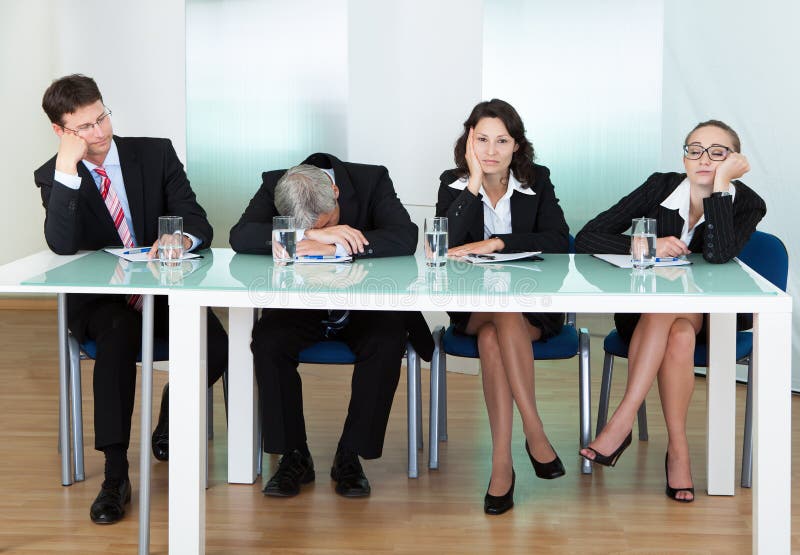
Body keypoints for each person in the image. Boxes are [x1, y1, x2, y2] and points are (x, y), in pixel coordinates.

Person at [34, 74, 228, 524]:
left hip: (160, 290)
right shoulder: (55, 175)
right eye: (83, 127)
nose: (99, 132)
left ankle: (169, 419)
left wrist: (180, 238)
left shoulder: (155, 153)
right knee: (117, 341)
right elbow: (62, 245)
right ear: (62, 132)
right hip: (101, 302)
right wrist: (68, 169)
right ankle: (115, 475)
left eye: (102, 117)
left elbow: (199, 221)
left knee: (217, 344)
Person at [575, 119, 766, 502]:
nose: (703, 158)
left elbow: (718, 254)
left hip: (715, 320)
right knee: (676, 327)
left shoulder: (747, 203)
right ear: (684, 156)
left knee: (675, 313)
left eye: (718, 152)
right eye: (694, 149)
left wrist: (720, 188)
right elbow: (587, 235)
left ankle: (622, 420)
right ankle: (678, 450)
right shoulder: (660, 186)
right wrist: (645, 244)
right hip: (647, 317)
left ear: (734, 160)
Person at [230, 154, 431, 498]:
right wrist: (306, 234)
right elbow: (241, 236)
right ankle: (293, 455)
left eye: (327, 222)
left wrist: (340, 242)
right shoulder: (276, 183)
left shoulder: (372, 179)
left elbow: (404, 237)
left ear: (336, 192)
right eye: (313, 228)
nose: (320, 232)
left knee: (387, 338)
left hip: (363, 302)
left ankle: (350, 456)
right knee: (268, 340)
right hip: (300, 305)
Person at [436, 99, 570, 515]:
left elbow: (558, 239)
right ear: (468, 143)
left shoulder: (538, 181)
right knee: (496, 314)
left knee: (498, 331)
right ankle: (535, 432)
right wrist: (474, 183)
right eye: (482, 140)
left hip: (532, 306)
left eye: (501, 140)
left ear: (516, 146)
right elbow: (448, 244)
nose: (491, 150)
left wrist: (498, 242)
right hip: (472, 306)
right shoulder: (453, 183)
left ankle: (501, 465)